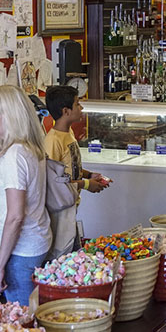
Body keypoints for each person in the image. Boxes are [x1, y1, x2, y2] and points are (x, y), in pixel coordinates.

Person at [0, 85, 52, 304]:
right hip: (36, 240)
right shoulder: (29, 146)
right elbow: (27, 188)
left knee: (23, 320)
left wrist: (0, 267)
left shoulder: (14, 156)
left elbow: (15, 217)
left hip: (19, 251)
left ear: (11, 116)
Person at [44, 85, 110, 259]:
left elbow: (70, 167)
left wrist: (88, 175)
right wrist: (87, 185)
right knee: (61, 256)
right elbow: (54, 183)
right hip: (59, 210)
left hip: (72, 204)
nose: (81, 108)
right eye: (77, 104)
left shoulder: (69, 132)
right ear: (66, 111)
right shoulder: (52, 141)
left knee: (74, 253)